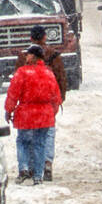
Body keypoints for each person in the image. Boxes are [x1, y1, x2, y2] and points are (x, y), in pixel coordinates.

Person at [4, 45, 61, 185]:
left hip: (26, 113)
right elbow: (56, 98)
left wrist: (9, 110)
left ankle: (24, 169)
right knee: (40, 144)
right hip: (44, 114)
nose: (26, 56)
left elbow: (13, 94)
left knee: (23, 141)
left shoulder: (22, 73)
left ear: (33, 56)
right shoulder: (48, 73)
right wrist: (51, 113)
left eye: (28, 54)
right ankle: (38, 175)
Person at [22, 25, 68, 181]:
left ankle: (32, 166)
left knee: (30, 134)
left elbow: (17, 79)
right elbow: (61, 78)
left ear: (30, 38)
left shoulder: (24, 56)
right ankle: (47, 162)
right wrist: (60, 99)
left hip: (28, 103)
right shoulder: (54, 55)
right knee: (48, 133)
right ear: (45, 37)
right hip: (48, 102)